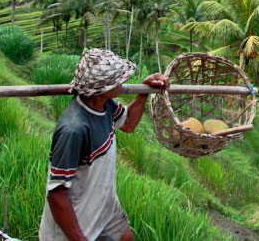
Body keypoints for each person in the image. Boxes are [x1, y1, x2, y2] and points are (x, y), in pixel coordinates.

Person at [39, 49, 169, 240]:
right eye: (119, 79)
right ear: (102, 88)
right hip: (78, 217)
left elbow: (128, 123)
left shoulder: (104, 105)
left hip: (103, 204)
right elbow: (56, 195)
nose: (123, 82)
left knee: (126, 238)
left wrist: (143, 92)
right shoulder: (73, 130)